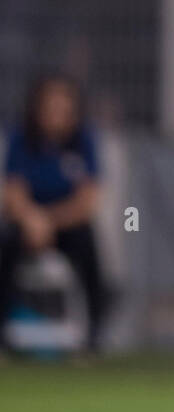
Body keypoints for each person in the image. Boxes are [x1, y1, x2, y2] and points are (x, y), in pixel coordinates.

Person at [0, 74, 106, 353]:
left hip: (66, 225)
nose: (57, 113)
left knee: (90, 249)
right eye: (51, 106)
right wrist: (31, 220)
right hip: (26, 224)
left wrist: (49, 221)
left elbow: (88, 201)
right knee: (5, 246)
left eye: (64, 106)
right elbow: (13, 192)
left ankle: (92, 339)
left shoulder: (84, 141)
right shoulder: (20, 139)